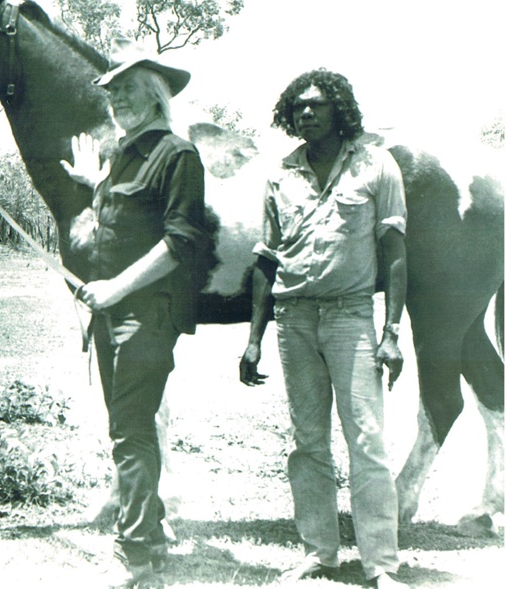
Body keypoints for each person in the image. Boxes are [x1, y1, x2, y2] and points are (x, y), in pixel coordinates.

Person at [239, 69, 409, 589]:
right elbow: (267, 261)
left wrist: (392, 331)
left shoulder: (377, 165)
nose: (305, 114)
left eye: (316, 105)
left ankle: (381, 565)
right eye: (297, 107)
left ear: (340, 110)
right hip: (294, 321)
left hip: (351, 317)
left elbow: (396, 254)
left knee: (367, 442)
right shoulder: (279, 174)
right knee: (307, 443)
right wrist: (252, 340)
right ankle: (320, 554)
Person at [61, 39, 213, 588]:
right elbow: (120, 221)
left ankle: (139, 554)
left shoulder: (178, 155)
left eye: (128, 89)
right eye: (111, 92)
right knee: (126, 425)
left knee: (130, 428)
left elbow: (181, 241)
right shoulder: (121, 156)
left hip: (147, 312)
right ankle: (146, 526)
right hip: (113, 314)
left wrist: (116, 289)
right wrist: (92, 186)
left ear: (154, 96)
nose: (117, 99)